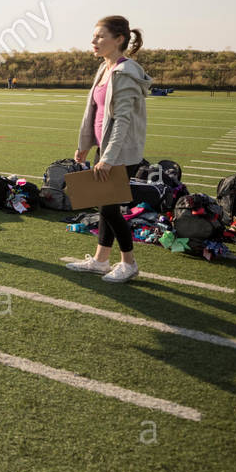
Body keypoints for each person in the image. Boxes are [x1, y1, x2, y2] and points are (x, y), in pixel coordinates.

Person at [65, 16, 151, 284]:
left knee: (109, 208)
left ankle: (129, 263)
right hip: (104, 149)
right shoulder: (105, 68)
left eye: (100, 36)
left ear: (119, 39)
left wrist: (108, 158)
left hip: (119, 153)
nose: (94, 41)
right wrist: (85, 146)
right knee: (104, 205)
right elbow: (95, 113)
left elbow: (122, 121)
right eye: (94, 36)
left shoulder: (124, 72)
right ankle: (101, 260)